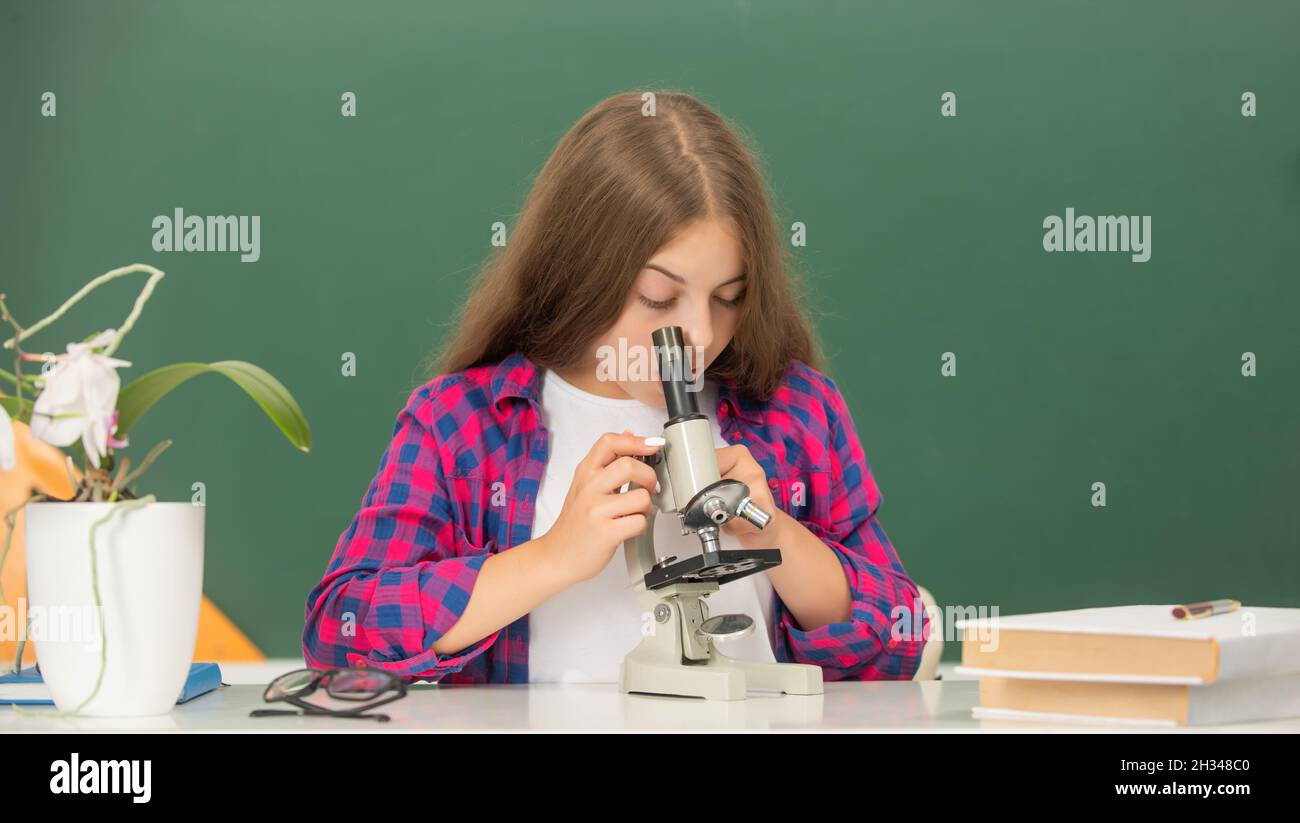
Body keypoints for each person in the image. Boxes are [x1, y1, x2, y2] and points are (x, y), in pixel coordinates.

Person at [303, 90, 929, 684]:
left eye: (728, 298)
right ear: (584, 272)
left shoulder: (797, 410)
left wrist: (775, 536)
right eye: (660, 298)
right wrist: (552, 557)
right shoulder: (460, 422)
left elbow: (904, 636)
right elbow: (339, 629)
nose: (700, 336)